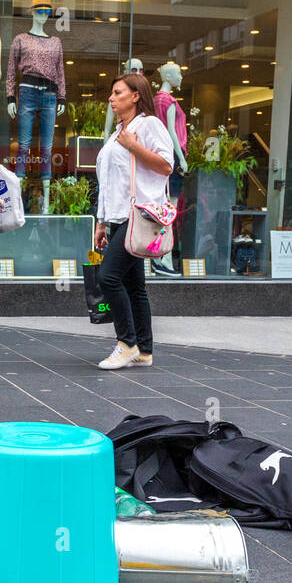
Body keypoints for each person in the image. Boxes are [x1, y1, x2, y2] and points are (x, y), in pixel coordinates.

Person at [93, 73, 173, 369]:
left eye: (117, 93)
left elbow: (166, 165)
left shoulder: (149, 124)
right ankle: (145, 350)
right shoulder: (118, 131)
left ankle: (126, 343)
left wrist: (134, 146)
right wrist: (101, 222)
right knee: (134, 286)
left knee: (108, 277)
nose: (111, 98)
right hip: (118, 217)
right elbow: (110, 181)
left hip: (137, 215)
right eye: (112, 94)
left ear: (136, 96)